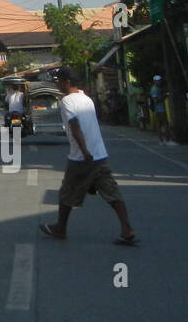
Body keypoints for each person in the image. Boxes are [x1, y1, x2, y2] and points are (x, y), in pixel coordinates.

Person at [39, 66, 138, 245]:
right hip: (99, 154)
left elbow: (75, 126)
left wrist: (85, 152)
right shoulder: (86, 99)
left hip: (82, 157)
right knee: (111, 191)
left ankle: (60, 228)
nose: (58, 84)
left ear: (67, 82)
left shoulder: (68, 101)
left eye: (59, 80)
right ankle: (127, 229)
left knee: (67, 192)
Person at [150, 75, 170, 144]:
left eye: (160, 80)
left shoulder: (158, 88)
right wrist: (164, 96)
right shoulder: (155, 89)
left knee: (162, 124)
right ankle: (164, 140)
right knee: (163, 124)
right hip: (159, 109)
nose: (159, 81)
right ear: (154, 81)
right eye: (158, 80)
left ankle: (163, 139)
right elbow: (155, 100)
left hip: (160, 109)